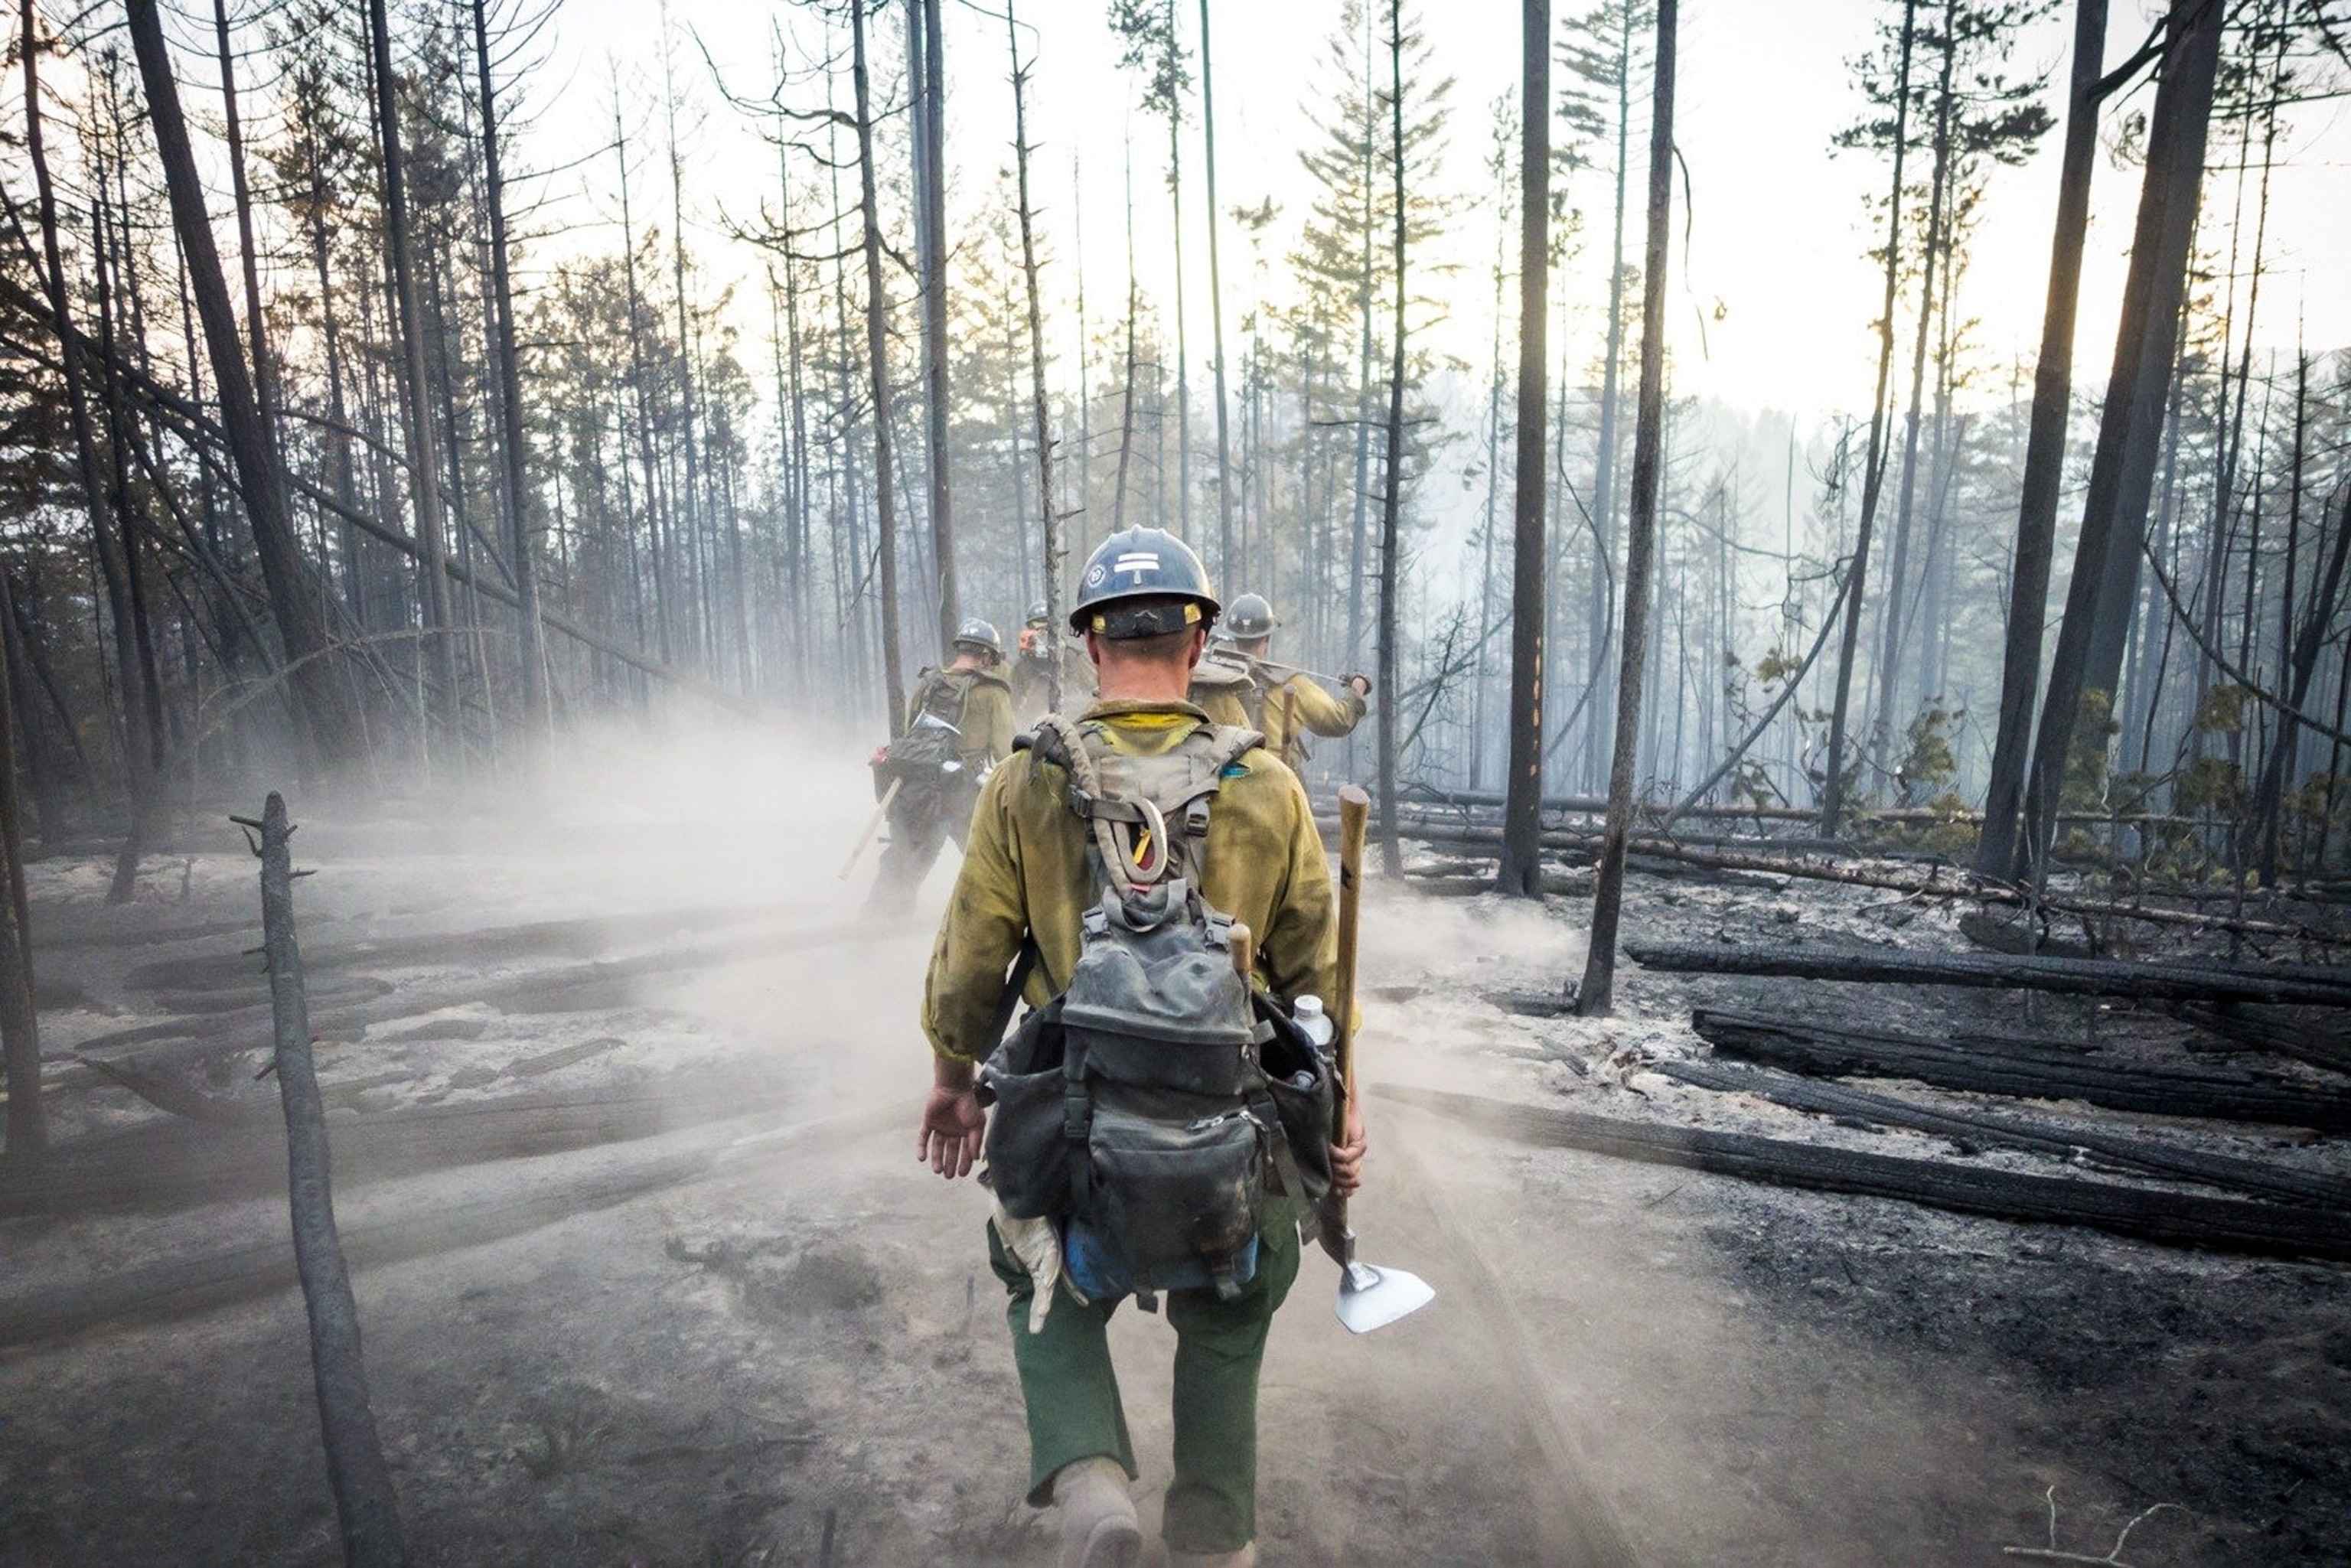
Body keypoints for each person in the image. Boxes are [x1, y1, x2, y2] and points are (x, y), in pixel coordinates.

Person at [917, 527, 1367, 1568]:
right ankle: (1213, 1542)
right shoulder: (1267, 786)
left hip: (1076, 1137)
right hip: (1232, 1141)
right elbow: (1321, 990)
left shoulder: (1025, 782)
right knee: (1237, 1302)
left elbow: (969, 967)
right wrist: (1346, 1116)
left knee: (1031, 1263)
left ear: (1090, 647)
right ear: (1199, 642)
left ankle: (1089, 1479)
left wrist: (953, 1084)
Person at [865, 619, 1016, 914]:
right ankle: (989, 924)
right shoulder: (993, 692)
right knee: (991, 861)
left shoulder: (928, 683)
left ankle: (877, 922)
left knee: (905, 859)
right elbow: (1007, 751)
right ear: (986, 656)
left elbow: (911, 733)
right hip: (963, 795)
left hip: (917, 789)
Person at [1185, 592, 1371, 773]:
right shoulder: (1291, 684)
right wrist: (1356, 691)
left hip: (1219, 782)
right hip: (1276, 784)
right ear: (1267, 639)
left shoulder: (1207, 682)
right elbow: (1338, 721)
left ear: (1233, 638)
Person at [1011, 600, 1095, 725]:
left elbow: (1093, 693)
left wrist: (1071, 705)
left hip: (1073, 725)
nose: (1043, 633)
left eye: (1047, 627)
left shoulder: (1074, 659)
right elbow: (1013, 709)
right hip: (1034, 728)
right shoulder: (1021, 668)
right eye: (1036, 627)